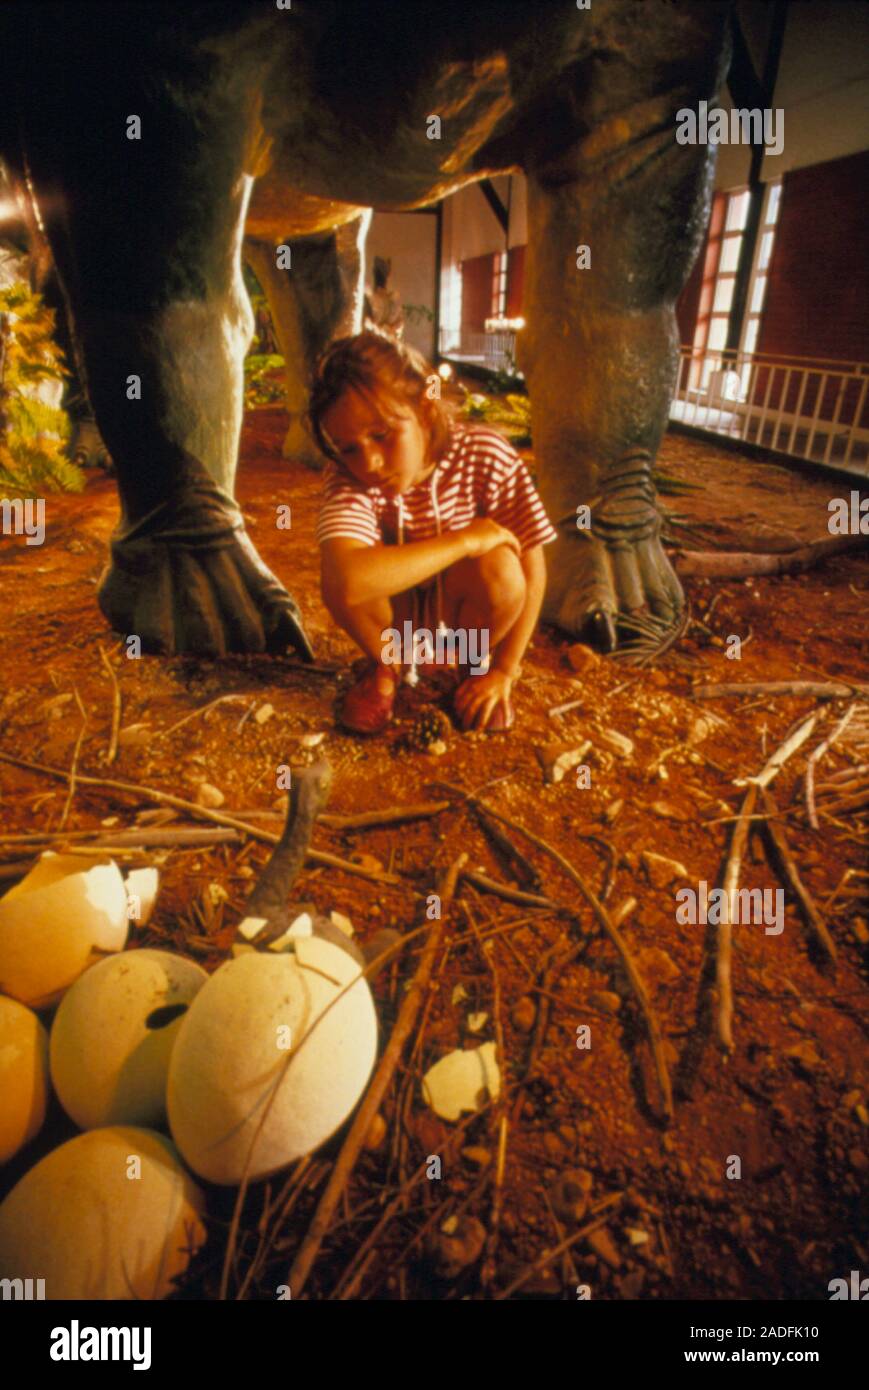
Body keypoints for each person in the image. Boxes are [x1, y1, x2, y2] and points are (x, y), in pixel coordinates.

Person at [308, 331, 558, 734]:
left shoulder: (485, 455)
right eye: (348, 447)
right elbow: (349, 582)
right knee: (341, 573)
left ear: (425, 410)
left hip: (462, 627)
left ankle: (470, 670)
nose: (368, 462)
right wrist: (464, 540)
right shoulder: (346, 478)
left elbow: (532, 569)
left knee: (502, 567)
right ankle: (388, 666)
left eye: (381, 434)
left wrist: (506, 671)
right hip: (393, 627)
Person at [363, 257, 405, 341]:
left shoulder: (393, 299)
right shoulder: (394, 300)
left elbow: (399, 324)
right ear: (388, 276)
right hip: (383, 342)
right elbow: (399, 324)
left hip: (379, 342)